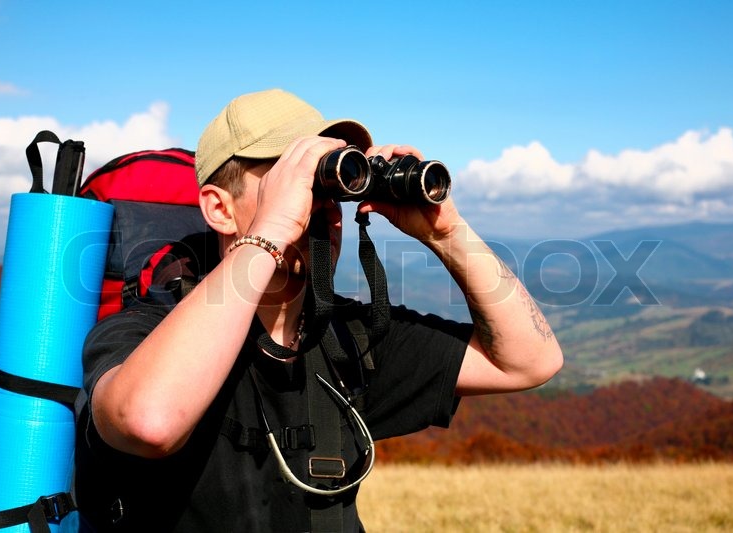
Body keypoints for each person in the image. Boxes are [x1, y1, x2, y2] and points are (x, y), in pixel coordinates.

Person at [75, 88, 563, 532]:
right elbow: (150, 422)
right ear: (220, 209)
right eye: (294, 179)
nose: (321, 206)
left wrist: (445, 233)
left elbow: (528, 360)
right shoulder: (144, 330)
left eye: (329, 183)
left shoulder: (350, 337)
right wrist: (270, 233)